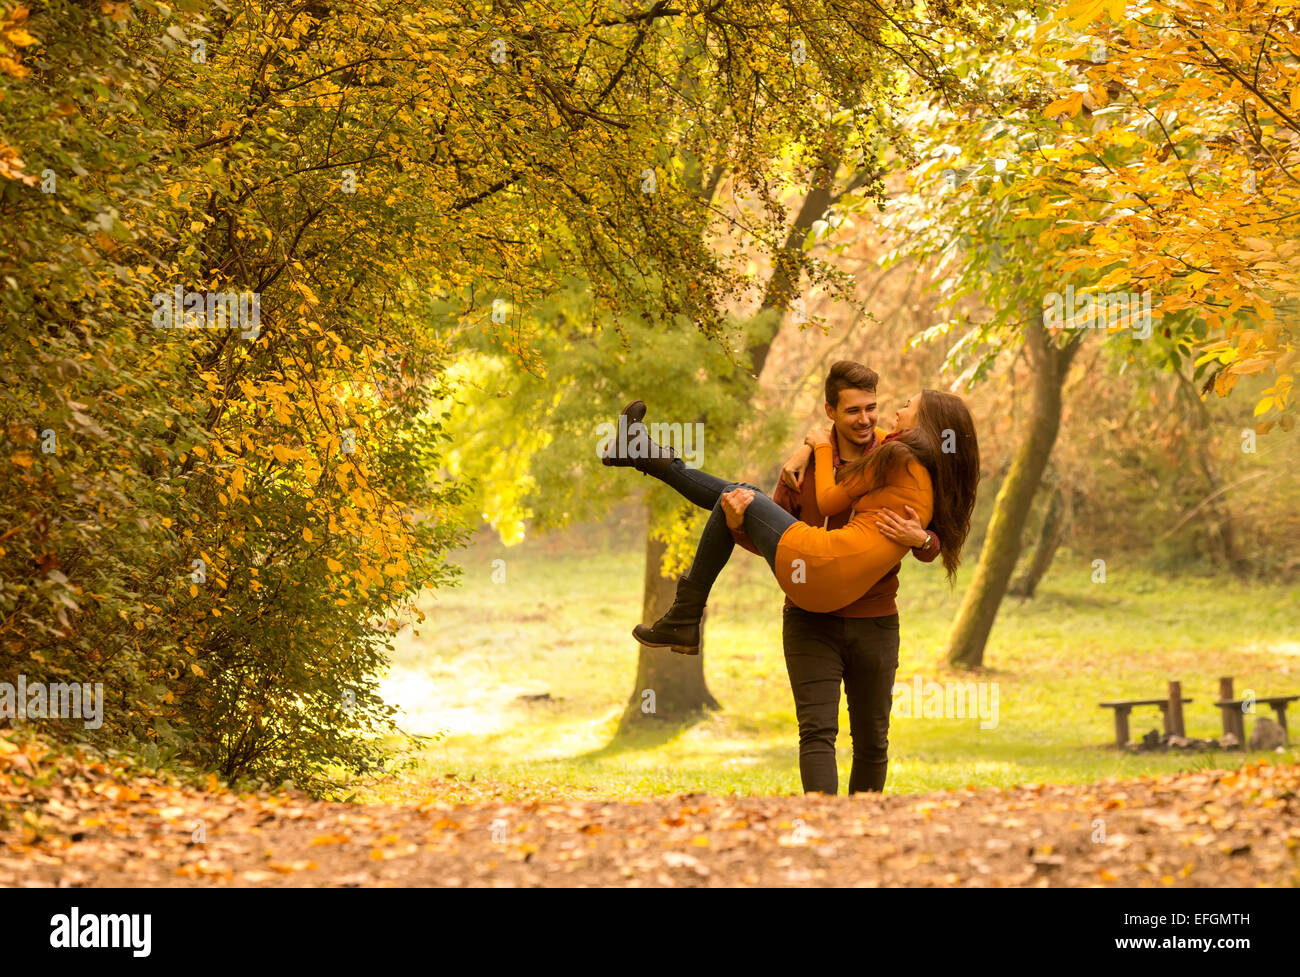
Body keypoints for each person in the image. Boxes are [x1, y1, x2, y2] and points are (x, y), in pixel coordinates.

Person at [600, 385, 979, 665]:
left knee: (740, 494)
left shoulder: (896, 455)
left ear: (926, 420)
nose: (896, 411)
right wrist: (807, 447)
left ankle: (684, 614)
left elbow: (831, 498)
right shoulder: (927, 468)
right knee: (735, 497)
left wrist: (924, 540)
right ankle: (641, 454)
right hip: (828, 581)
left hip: (823, 562)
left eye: (907, 406)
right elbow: (848, 435)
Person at [729, 361, 954, 794]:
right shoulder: (802, 470)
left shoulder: (899, 457)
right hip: (809, 620)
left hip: (875, 620)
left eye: (872, 408)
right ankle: (822, 832)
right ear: (830, 411)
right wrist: (739, 524)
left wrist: (922, 539)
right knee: (817, 733)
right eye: (853, 411)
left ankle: (863, 836)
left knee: (872, 741)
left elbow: (934, 535)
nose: (866, 419)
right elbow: (772, 540)